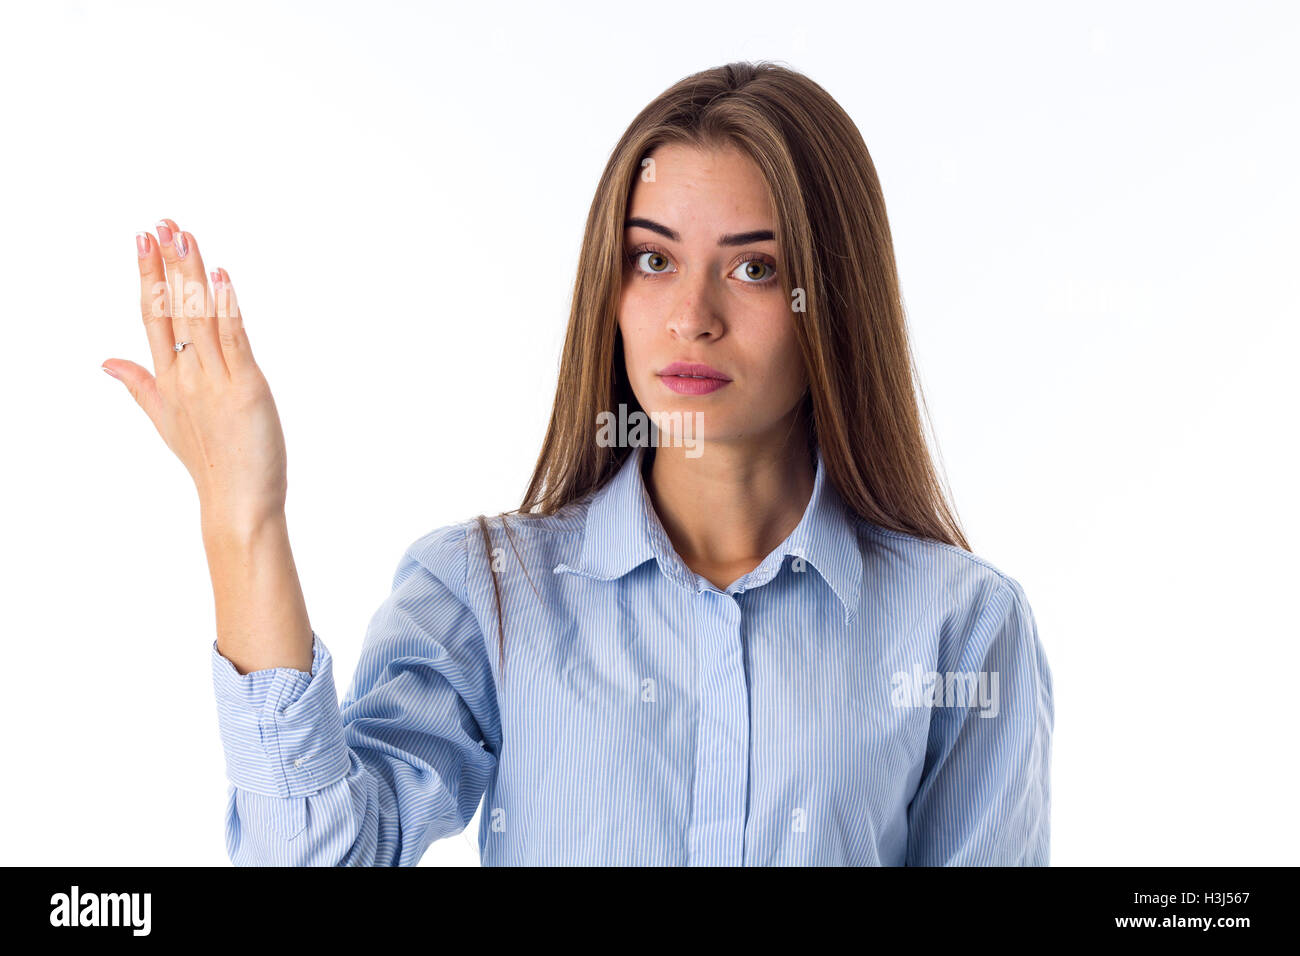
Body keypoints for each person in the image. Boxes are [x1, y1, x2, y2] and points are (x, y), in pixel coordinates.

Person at [103, 61, 1053, 866]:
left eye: (755, 267)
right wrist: (243, 516)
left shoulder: (963, 627)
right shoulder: (487, 593)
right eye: (652, 260)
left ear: (832, 299)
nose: (693, 315)